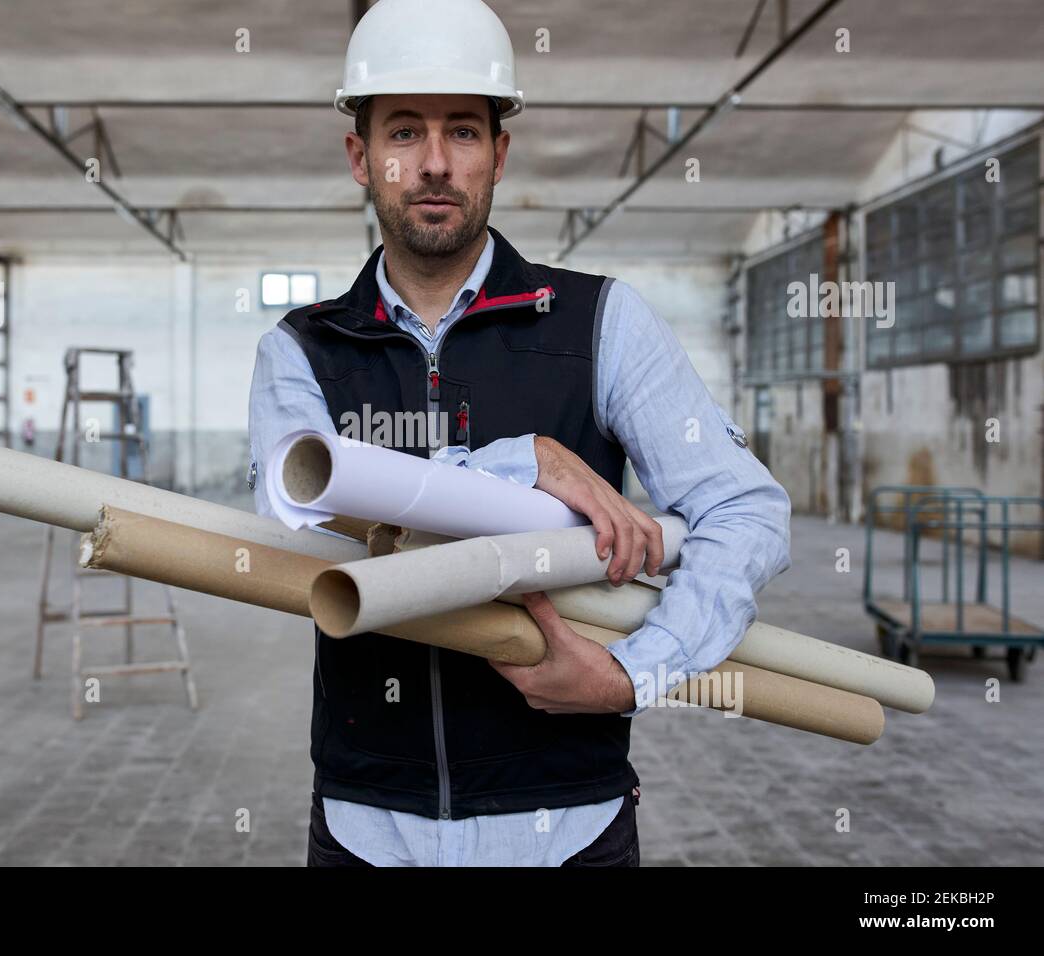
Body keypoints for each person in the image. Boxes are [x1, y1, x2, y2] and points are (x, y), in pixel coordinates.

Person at [247, 0, 791, 867]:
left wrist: (633, 673)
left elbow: (749, 513)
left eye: (463, 132)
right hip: (368, 825)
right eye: (404, 133)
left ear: (500, 152)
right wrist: (518, 464)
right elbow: (305, 523)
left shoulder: (601, 322)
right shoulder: (301, 350)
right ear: (361, 155)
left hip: (568, 825)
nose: (433, 164)